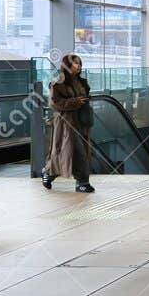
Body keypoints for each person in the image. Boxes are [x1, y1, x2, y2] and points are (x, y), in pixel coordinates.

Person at [45, 53, 95, 193]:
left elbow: (84, 96)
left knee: (78, 151)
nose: (78, 66)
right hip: (66, 123)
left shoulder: (82, 82)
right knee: (74, 151)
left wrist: (84, 99)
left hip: (81, 121)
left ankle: (51, 174)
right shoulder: (58, 83)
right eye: (75, 63)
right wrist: (74, 102)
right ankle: (80, 182)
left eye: (79, 63)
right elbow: (54, 103)